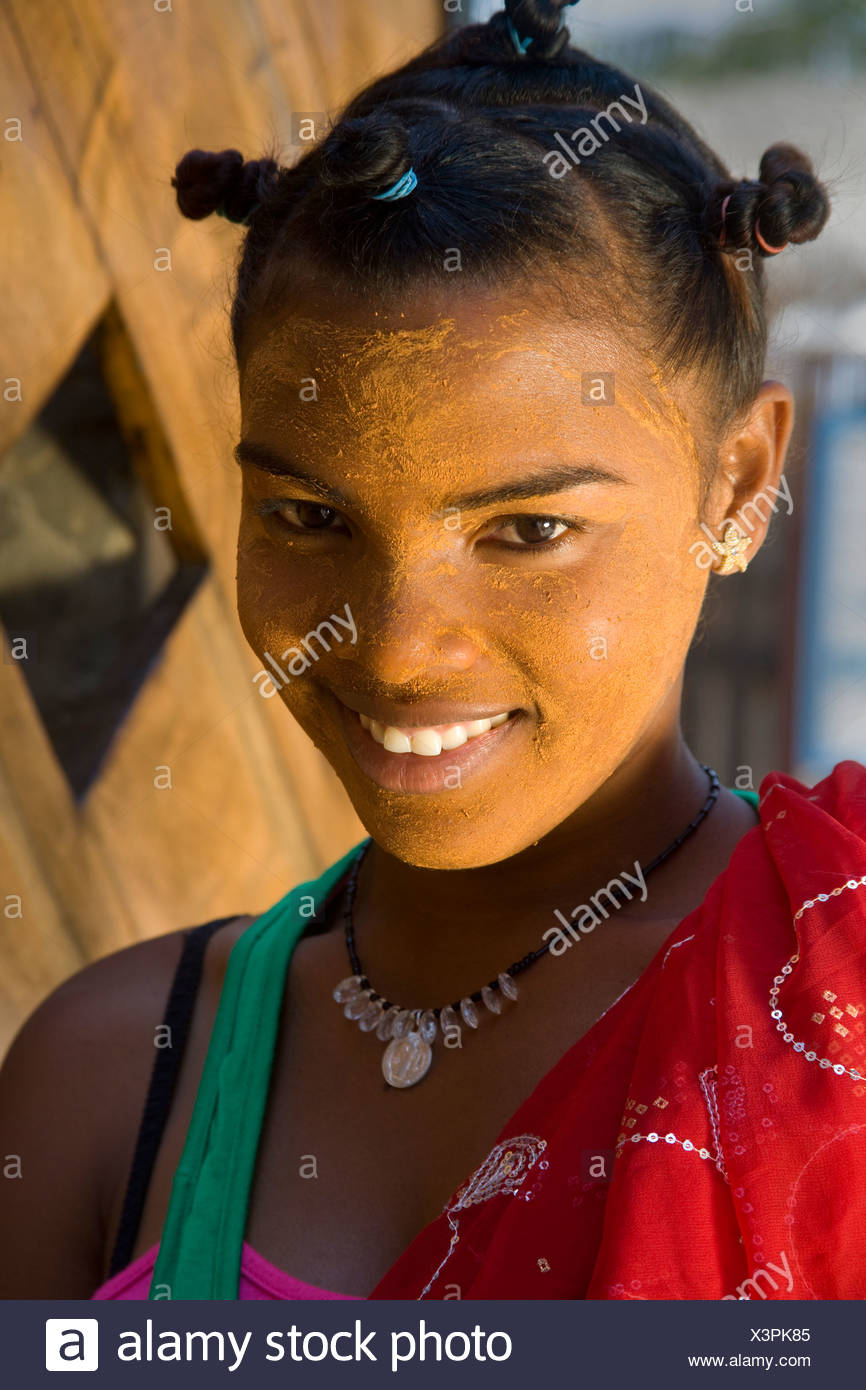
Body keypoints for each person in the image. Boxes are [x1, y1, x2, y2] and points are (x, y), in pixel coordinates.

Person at [2, 0, 864, 1302]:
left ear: (736, 480)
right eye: (306, 515)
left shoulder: (831, 996)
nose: (396, 644)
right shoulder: (107, 1078)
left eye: (525, 529)